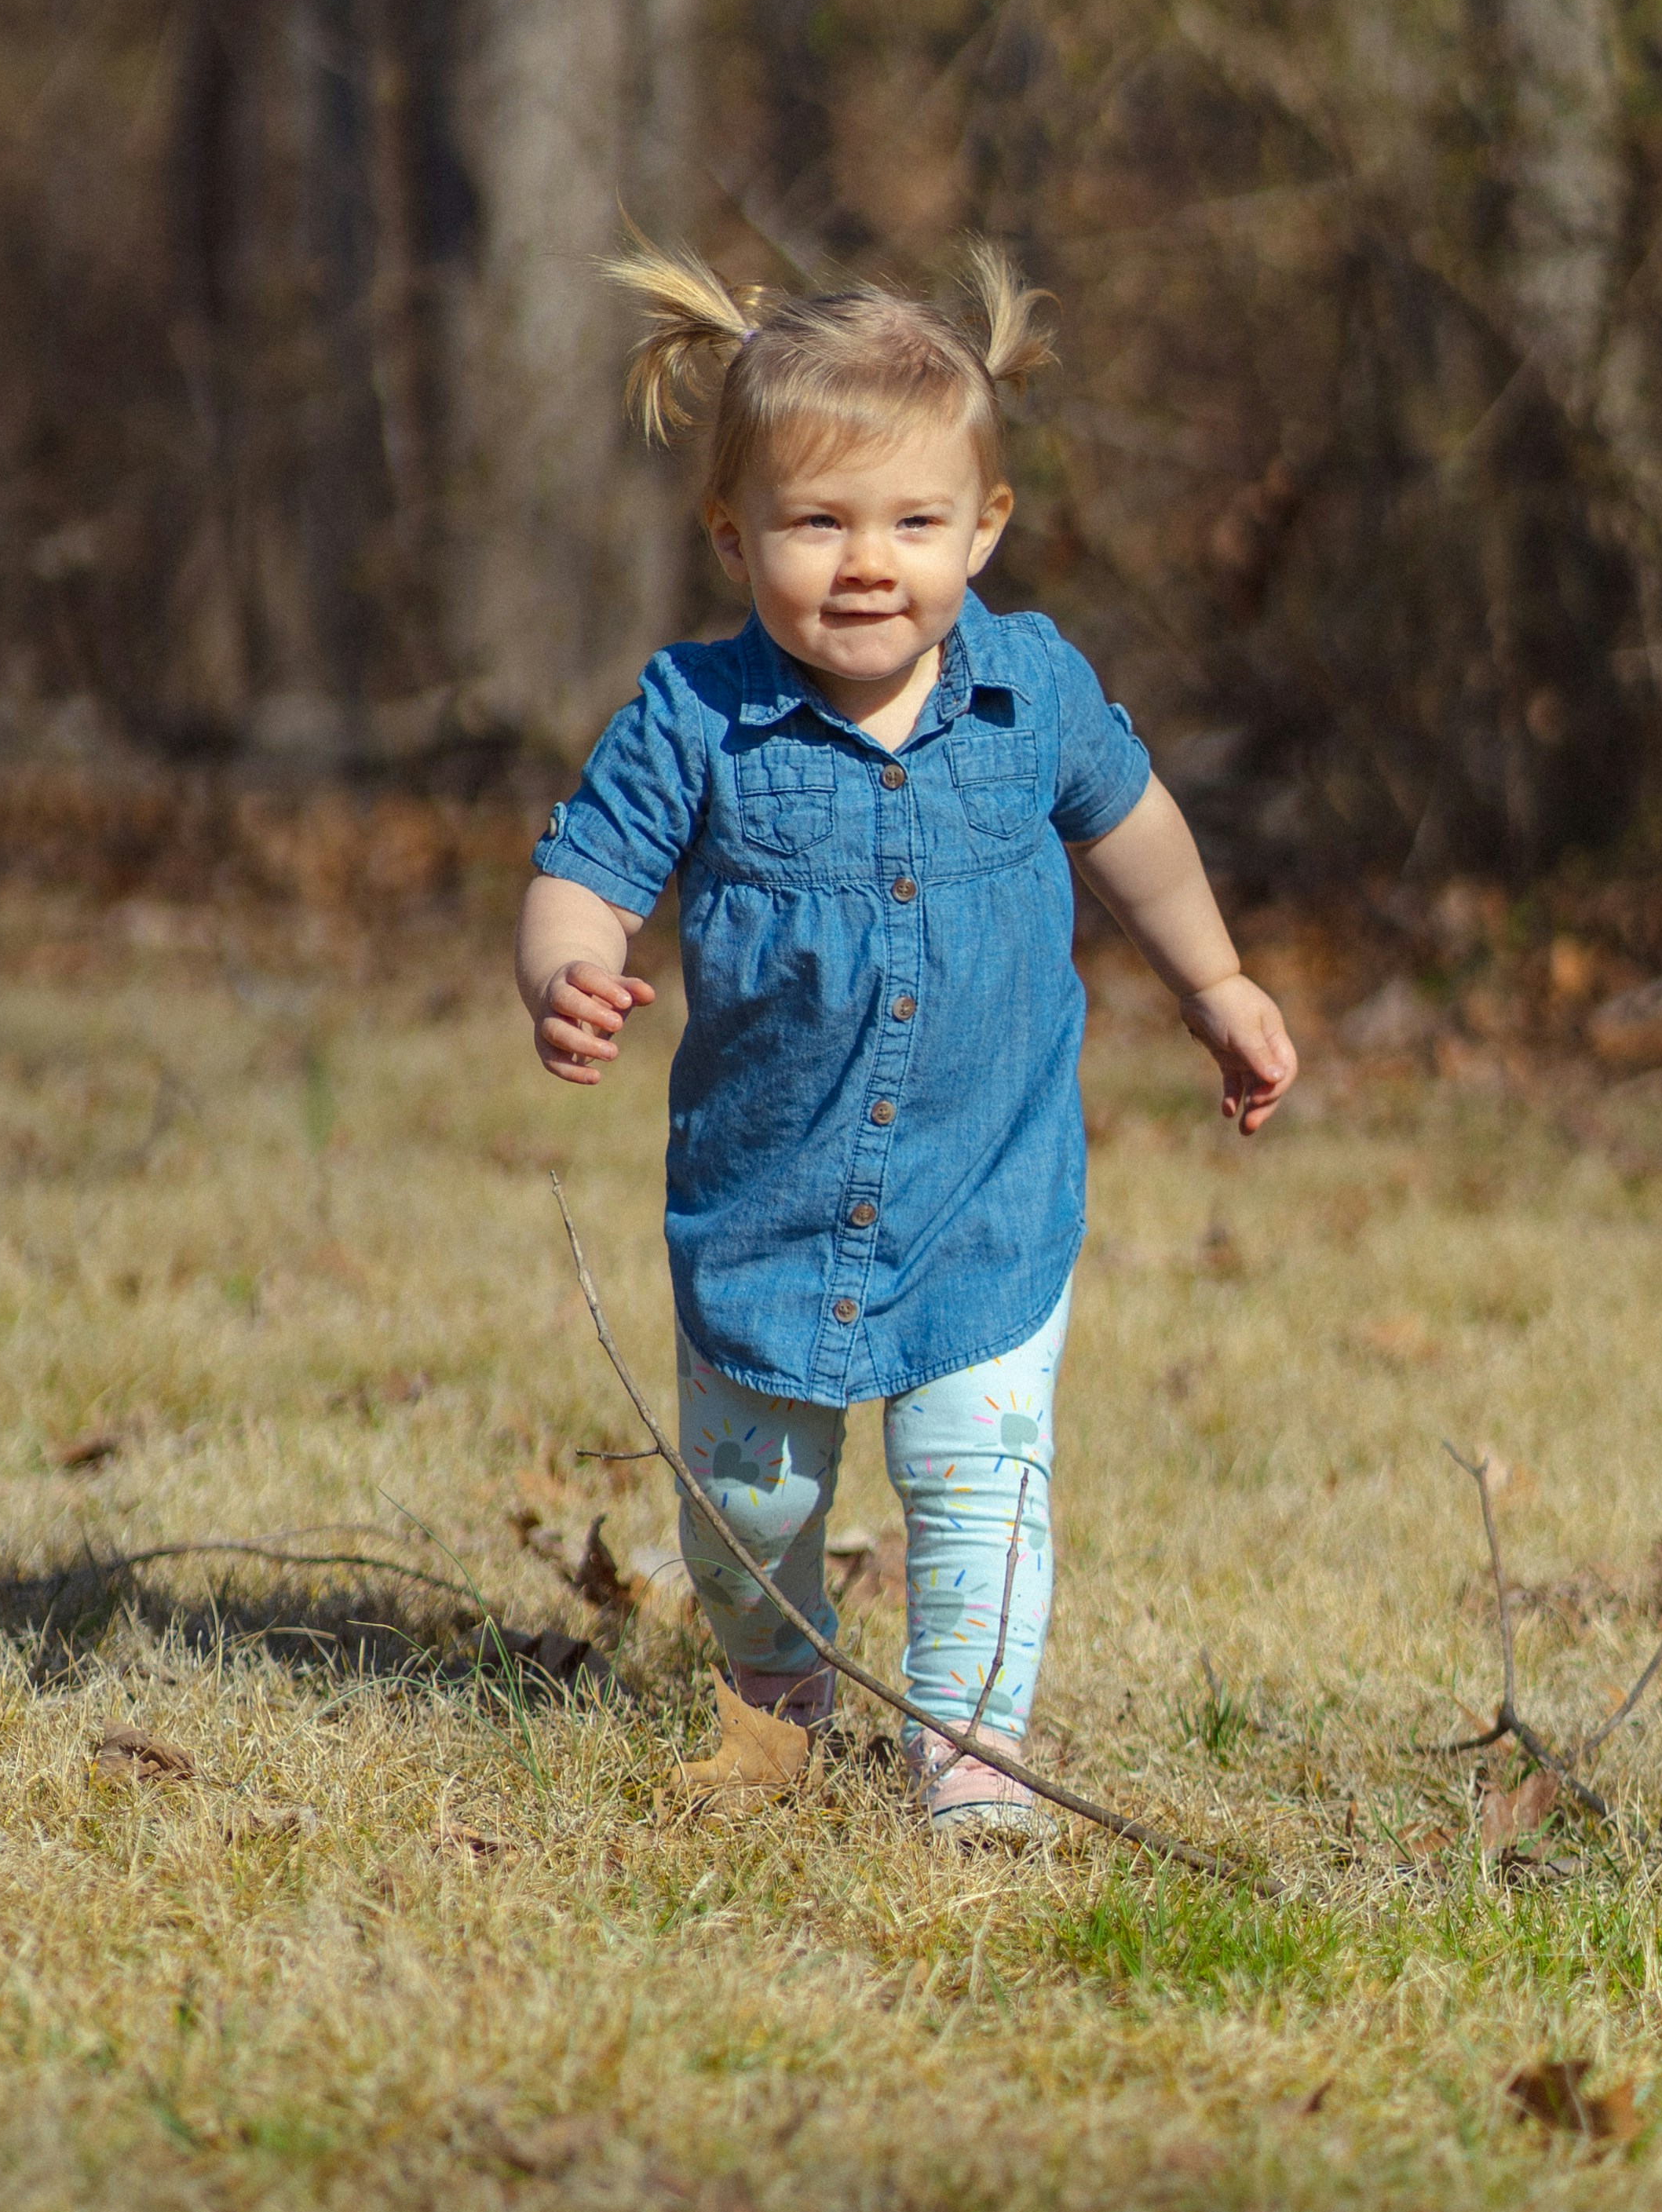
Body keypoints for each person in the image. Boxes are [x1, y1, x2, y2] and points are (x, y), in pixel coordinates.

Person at [513, 239, 1299, 1836]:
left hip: (986, 1202)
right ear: (736, 536)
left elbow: (1137, 833)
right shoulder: (695, 714)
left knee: (979, 1490)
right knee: (754, 1500)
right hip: (766, 1207)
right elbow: (581, 872)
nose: (868, 562)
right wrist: (567, 971)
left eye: (914, 523)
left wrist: (1215, 986)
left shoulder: (1032, 689)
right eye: (818, 523)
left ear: (984, 527)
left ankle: (970, 1757)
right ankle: (779, 1695)